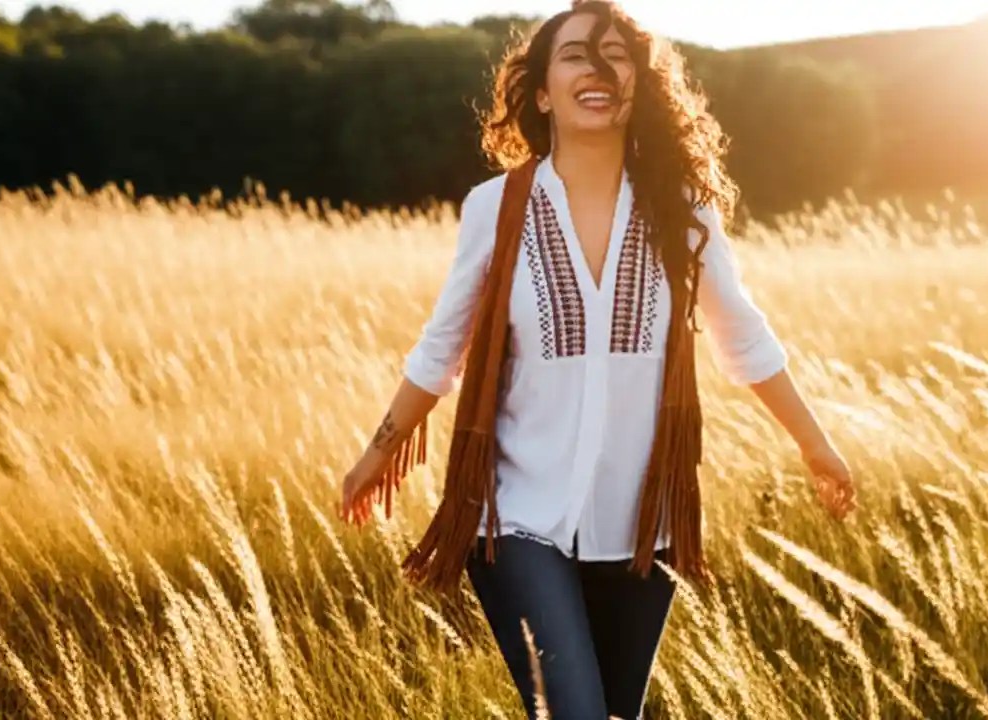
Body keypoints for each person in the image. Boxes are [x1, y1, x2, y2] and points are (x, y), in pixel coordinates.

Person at [338, 2, 857, 717]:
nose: (600, 68)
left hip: (641, 528)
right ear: (543, 93)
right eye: (576, 54)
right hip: (516, 516)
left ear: (639, 87)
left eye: (617, 56)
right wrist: (378, 448)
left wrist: (816, 445)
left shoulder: (682, 210)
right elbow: (443, 347)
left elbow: (743, 338)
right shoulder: (497, 208)